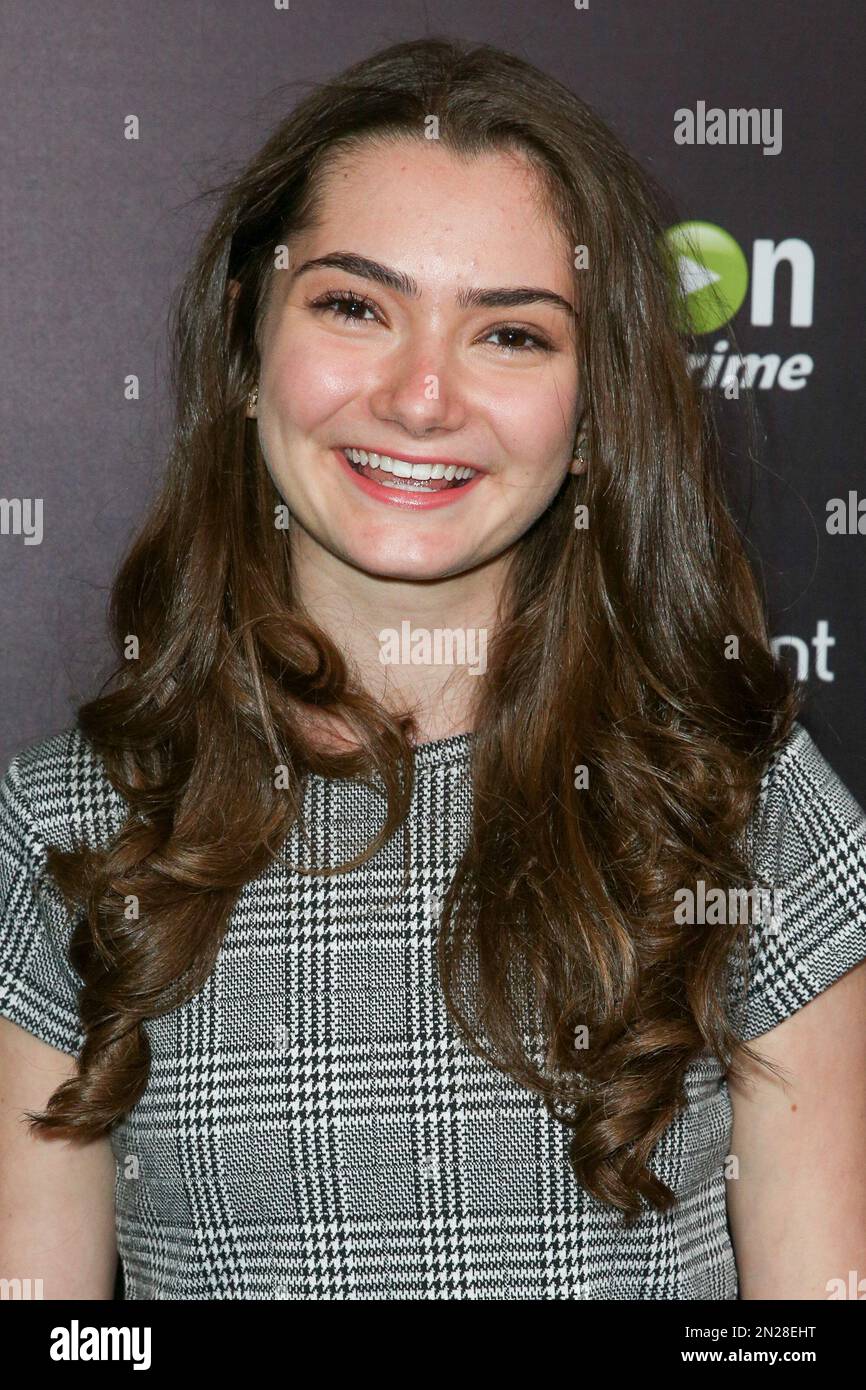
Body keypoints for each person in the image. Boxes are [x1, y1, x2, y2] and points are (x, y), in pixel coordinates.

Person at [1, 36, 865, 1302]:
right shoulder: (71, 830)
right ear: (247, 344)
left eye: (509, 334)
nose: (419, 396)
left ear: (592, 409)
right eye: (355, 305)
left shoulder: (740, 810)